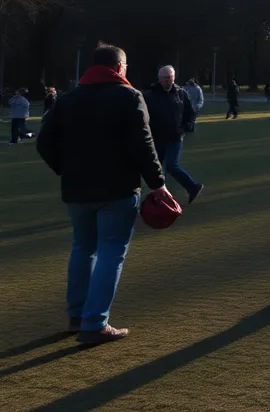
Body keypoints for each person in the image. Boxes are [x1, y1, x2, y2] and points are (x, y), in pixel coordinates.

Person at [36, 42, 177, 346]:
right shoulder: (129, 96)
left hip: (77, 188)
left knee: (82, 248)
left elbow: (44, 142)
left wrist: (65, 168)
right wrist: (158, 183)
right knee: (111, 252)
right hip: (117, 188)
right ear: (119, 67)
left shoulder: (68, 99)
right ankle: (95, 323)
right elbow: (144, 144)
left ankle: (76, 316)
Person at [142, 66, 203, 203]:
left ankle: (192, 188)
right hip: (156, 138)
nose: (166, 80)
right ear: (159, 78)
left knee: (171, 166)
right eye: (164, 78)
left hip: (175, 138)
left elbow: (191, 113)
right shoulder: (150, 95)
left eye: (169, 77)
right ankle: (159, 198)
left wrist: (185, 126)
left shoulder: (181, 93)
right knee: (155, 170)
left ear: (174, 77)